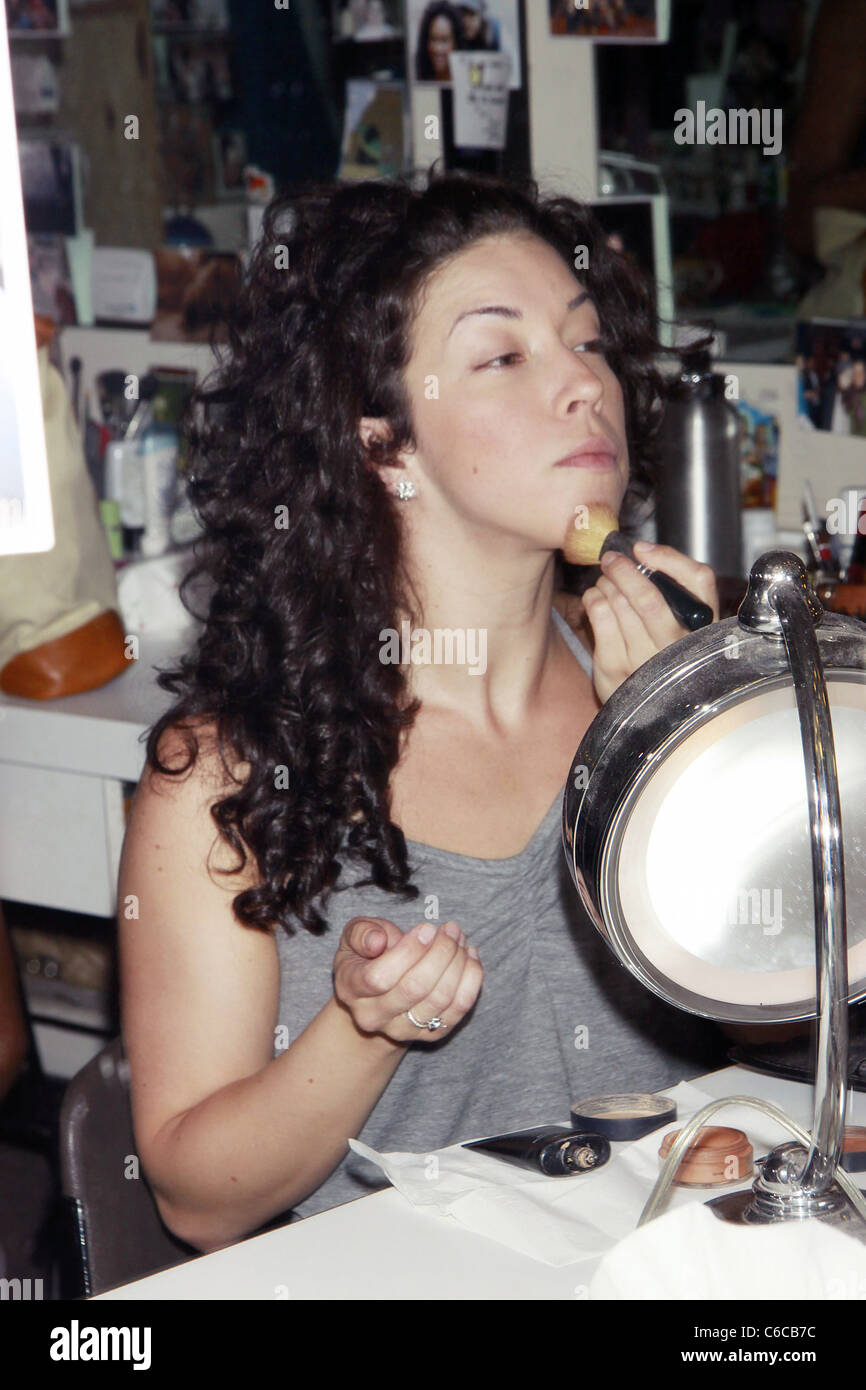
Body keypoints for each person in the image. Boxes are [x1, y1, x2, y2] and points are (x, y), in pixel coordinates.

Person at [118, 169, 728, 1255]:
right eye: (502, 356)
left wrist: (693, 740)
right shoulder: (224, 772)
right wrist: (363, 1028)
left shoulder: (668, 674)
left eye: (587, 344)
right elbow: (198, 1199)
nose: (582, 386)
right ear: (380, 445)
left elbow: (804, 1026)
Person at [415, 1, 463, 82]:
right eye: (433, 39)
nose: (438, 49)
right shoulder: (422, 81)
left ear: (456, 43)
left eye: (444, 40)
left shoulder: (464, 81)